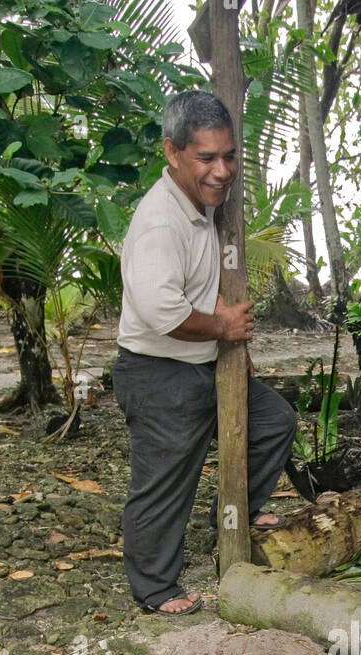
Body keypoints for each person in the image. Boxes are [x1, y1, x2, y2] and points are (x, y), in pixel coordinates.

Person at [112, 91, 297, 615]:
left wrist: (229, 341)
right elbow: (162, 314)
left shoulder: (202, 207)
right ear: (172, 153)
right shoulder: (159, 222)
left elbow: (197, 282)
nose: (222, 170)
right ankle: (154, 588)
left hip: (202, 362)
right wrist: (222, 325)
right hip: (156, 373)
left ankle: (236, 510)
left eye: (229, 156)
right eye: (206, 158)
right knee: (165, 482)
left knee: (273, 422)